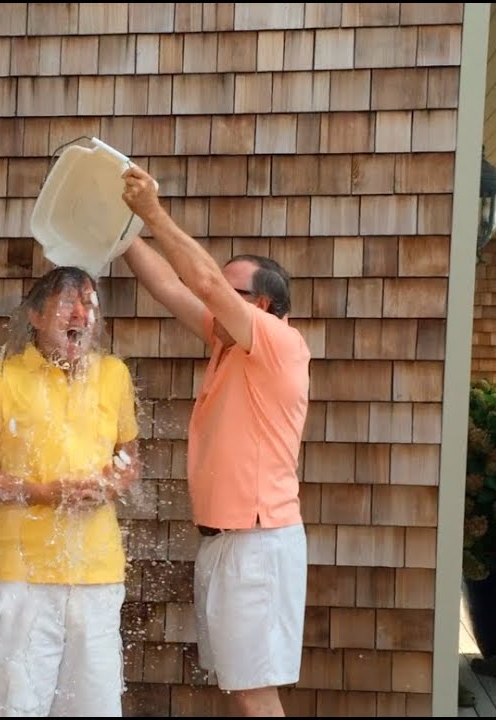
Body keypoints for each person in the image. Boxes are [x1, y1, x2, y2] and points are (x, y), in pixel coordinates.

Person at [119, 164, 311, 717]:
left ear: (262, 306)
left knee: (256, 693)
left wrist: (152, 211)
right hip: (231, 542)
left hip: (257, 542)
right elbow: (168, 285)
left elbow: (201, 281)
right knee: (239, 686)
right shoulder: (228, 341)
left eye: (231, 290)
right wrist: (122, 229)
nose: (214, 296)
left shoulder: (277, 343)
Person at [0, 266, 141, 717]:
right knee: (12, 709)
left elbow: (129, 460)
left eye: (89, 304)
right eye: (68, 303)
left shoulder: (114, 374)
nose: (81, 314)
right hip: (21, 578)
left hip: (99, 575)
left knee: (94, 710)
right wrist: (40, 492)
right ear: (35, 316)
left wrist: (111, 483)